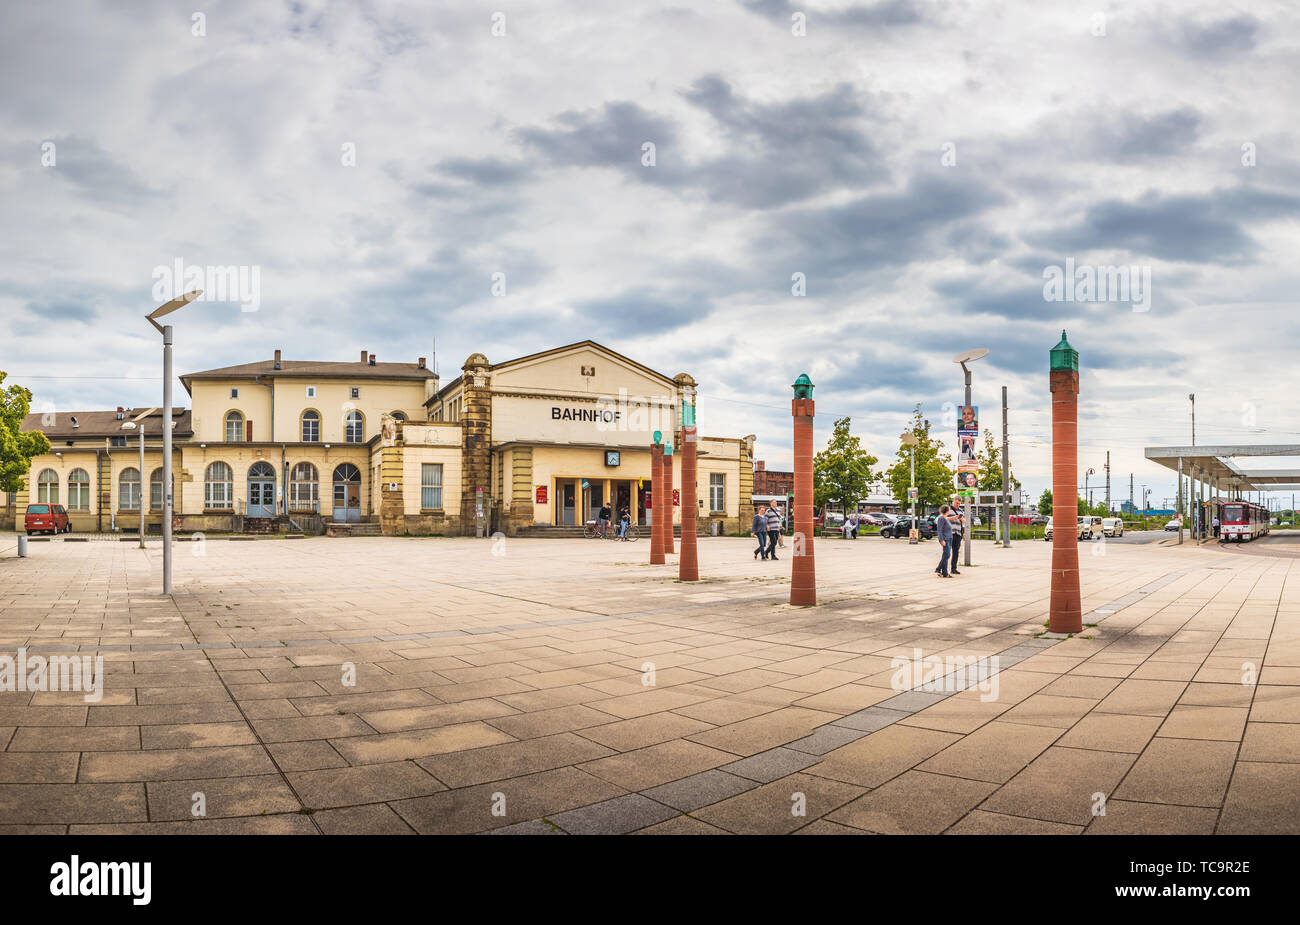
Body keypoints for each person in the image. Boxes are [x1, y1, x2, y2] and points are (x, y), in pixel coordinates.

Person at [947, 501, 965, 575]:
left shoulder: (961, 511)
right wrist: (953, 518)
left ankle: (953, 569)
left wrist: (961, 519)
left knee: (956, 552)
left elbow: (963, 522)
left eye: (959, 503)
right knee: (947, 552)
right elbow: (943, 519)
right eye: (956, 503)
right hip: (950, 533)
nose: (957, 505)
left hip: (958, 533)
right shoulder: (948, 509)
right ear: (952, 502)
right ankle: (943, 568)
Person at [935, 504, 953, 577]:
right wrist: (941, 540)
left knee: (945, 555)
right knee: (947, 555)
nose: (950, 511)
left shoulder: (946, 518)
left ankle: (945, 573)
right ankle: (938, 569)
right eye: (949, 509)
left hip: (949, 539)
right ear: (947, 510)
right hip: (945, 539)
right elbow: (939, 530)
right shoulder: (941, 518)